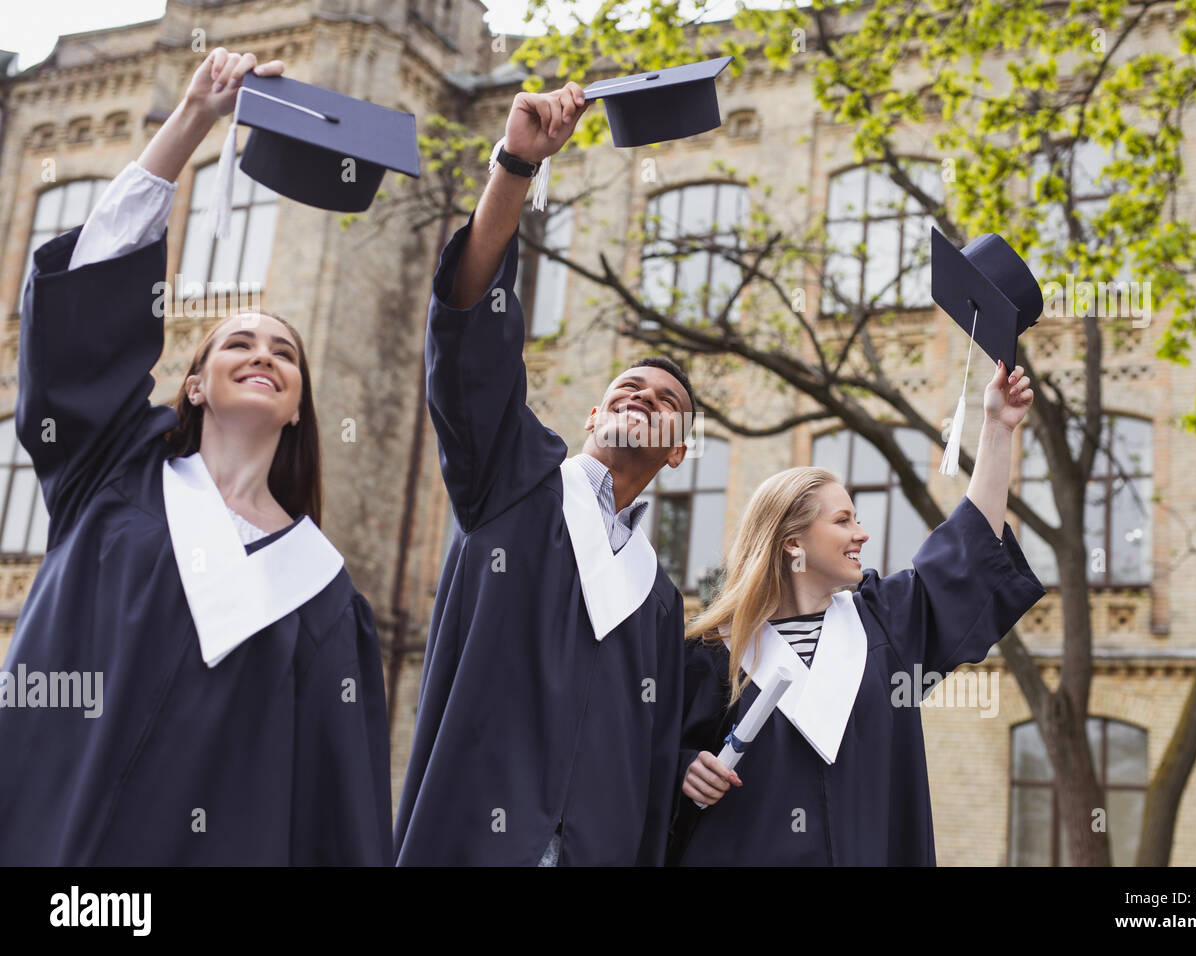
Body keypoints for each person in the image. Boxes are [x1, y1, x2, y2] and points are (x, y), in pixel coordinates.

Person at [0, 49, 392, 865]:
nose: (263, 354)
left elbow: (336, 803)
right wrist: (193, 120)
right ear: (196, 385)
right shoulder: (114, 468)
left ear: (297, 407)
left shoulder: (323, 594)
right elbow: (83, 312)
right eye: (237, 344)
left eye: (284, 352)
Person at [394, 82, 694, 865]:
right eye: (625, 386)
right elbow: (470, 334)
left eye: (667, 400)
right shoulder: (514, 483)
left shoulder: (658, 602)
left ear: (677, 451)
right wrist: (517, 165)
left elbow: (657, 772)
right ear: (593, 418)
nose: (641, 393)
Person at [670, 361, 1047, 865]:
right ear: (792, 542)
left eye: (859, 518)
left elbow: (967, 549)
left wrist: (997, 429)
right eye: (843, 520)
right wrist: (686, 766)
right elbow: (648, 761)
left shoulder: (885, 623)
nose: (861, 534)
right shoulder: (716, 654)